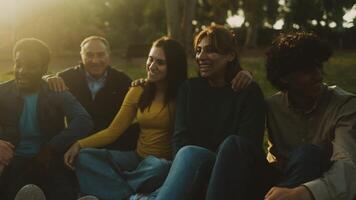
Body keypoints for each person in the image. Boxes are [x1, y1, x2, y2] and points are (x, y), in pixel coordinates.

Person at [205, 31, 356, 200]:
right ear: (284, 77)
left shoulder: (344, 105)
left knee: (309, 154)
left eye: (319, 66)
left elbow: (347, 166)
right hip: (278, 182)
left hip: (319, 187)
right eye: (308, 71)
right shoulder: (272, 107)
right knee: (235, 144)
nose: (318, 76)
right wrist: (244, 75)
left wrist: (305, 192)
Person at [63, 36, 188, 200]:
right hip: (136, 158)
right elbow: (113, 131)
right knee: (85, 156)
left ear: (174, 66)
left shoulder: (185, 93)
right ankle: (132, 196)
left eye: (160, 62)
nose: (152, 66)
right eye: (150, 59)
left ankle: (109, 189)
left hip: (161, 164)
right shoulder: (138, 90)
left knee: (160, 167)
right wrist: (79, 144)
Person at [152, 25, 266, 200]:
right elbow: (180, 137)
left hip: (232, 170)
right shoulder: (189, 89)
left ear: (230, 55)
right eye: (198, 51)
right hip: (192, 166)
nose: (201, 57)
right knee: (185, 154)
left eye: (210, 51)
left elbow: (246, 146)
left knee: (198, 151)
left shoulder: (248, 92)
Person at [0, 38, 94, 200]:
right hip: (13, 162)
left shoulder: (55, 91)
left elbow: (84, 120)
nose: (22, 71)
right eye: (18, 64)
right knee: (17, 190)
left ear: (44, 68)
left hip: (48, 160)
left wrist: (51, 147)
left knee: (61, 192)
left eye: (31, 66)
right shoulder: (3, 93)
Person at [44, 36, 138, 150]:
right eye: (89, 55)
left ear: (109, 55)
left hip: (112, 146)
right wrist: (47, 78)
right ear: (81, 56)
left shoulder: (122, 80)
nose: (95, 61)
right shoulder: (66, 78)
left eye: (101, 55)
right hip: (74, 145)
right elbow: (39, 84)